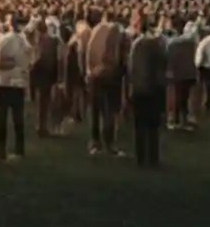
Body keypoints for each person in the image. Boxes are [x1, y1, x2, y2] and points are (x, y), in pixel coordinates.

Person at [0, 17, 30, 164]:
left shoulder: (4, 40)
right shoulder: (24, 41)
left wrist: (9, 64)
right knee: (18, 118)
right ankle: (19, 150)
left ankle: (0, 151)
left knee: (2, 118)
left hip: (5, 83)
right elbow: (29, 59)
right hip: (19, 83)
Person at [84, 11, 125, 157]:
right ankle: (110, 143)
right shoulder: (117, 31)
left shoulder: (95, 30)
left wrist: (89, 70)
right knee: (110, 111)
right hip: (110, 74)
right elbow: (120, 55)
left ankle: (94, 143)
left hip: (94, 74)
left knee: (95, 110)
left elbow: (88, 52)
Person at [129, 18, 166, 168]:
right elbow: (163, 66)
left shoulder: (136, 45)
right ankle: (153, 158)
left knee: (139, 126)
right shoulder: (156, 45)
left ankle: (140, 157)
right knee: (153, 127)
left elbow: (130, 68)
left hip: (138, 88)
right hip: (153, 89)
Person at [165, 21, 199, 131]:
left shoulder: (172, 43)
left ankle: (175, 120)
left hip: (179, 74)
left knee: (177, 99)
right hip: (188, 74)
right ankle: (183, 121)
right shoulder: (193, 43)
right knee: (184, 99)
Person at [29, 19, 60, 138]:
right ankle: (44, 126)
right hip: (49, 74)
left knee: (41, 102)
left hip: (41, 73)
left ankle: (41, 126)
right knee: (45, 102)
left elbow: (36, 59)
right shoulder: (53, 41)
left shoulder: (39, 43)